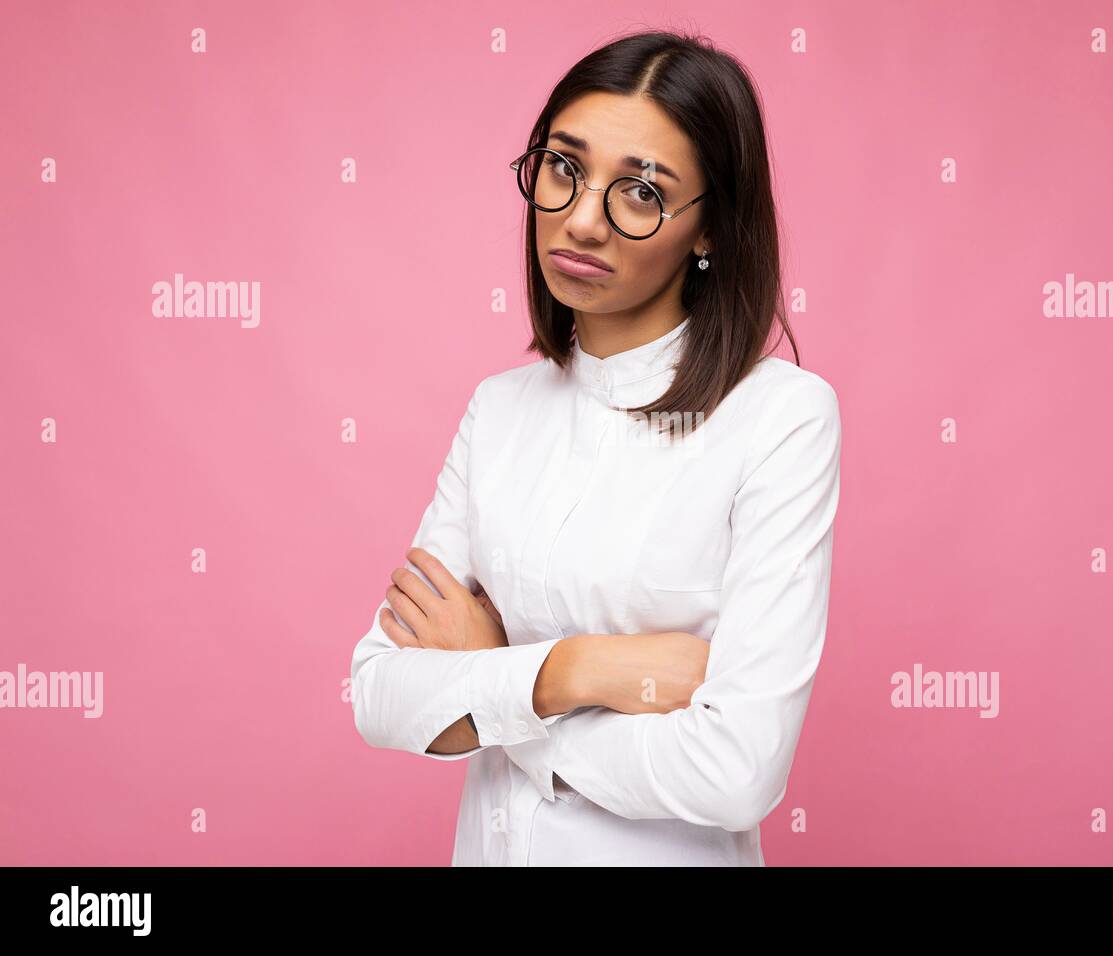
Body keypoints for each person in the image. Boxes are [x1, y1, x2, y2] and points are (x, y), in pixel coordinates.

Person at [349, 29, 841, 866]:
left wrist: (493, 686)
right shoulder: (499, 410)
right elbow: (380, 695)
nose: (581, 219)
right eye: (564, 169)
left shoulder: (780, 420)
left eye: (641, 193)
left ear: (710, 228)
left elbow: (735, 771)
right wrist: (578, 672)